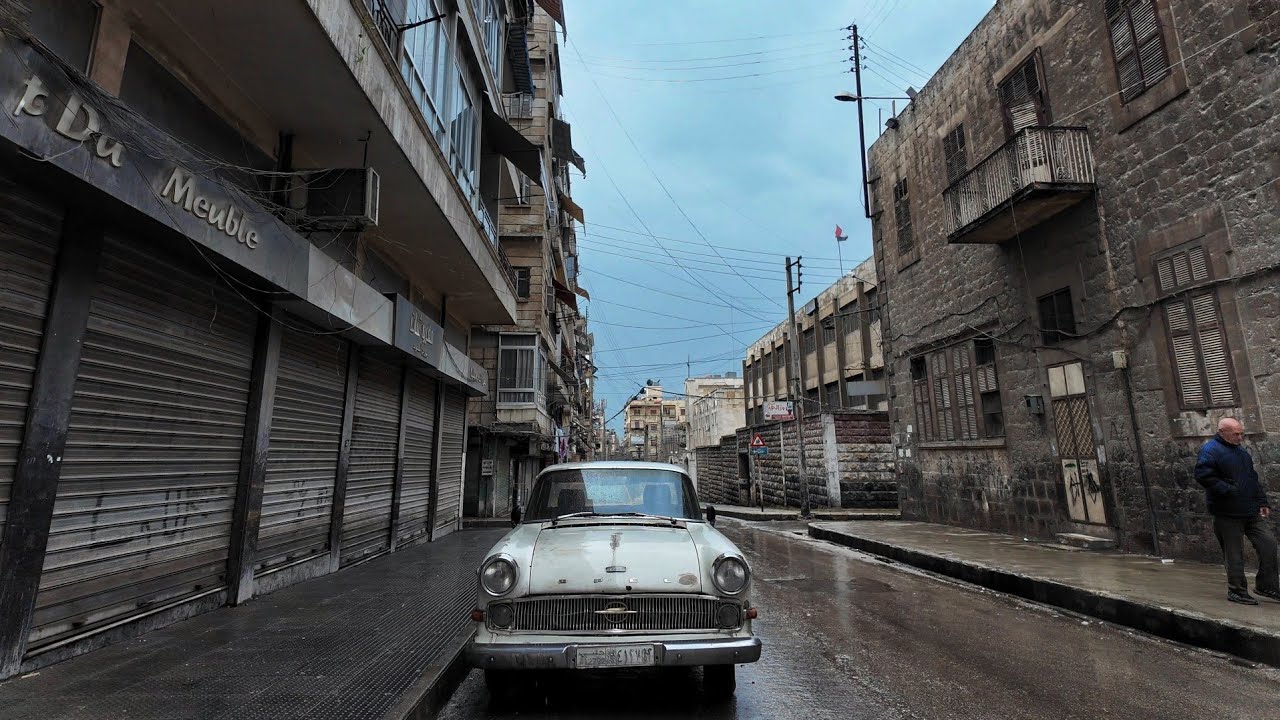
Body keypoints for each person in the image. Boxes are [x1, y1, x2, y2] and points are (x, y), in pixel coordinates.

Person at [1195, 418, 1279, 605]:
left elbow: (1252, 478)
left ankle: (1267, 586)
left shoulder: (1241, 452)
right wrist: (1228, 490)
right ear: (1221, 432)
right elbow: (1203, 475)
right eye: (1236, 434)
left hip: (1250, 511)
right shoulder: (1210, 450)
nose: (1240, 437)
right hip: (1227, 513)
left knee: (1269, 545)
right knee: (1234, 554)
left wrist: (1262, 501)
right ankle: (1237, 591)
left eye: (1241, 433)